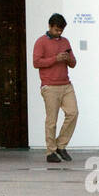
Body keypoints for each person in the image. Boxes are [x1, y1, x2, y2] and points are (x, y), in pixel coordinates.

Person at [32, 13, 78, 163]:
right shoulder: (41, 42)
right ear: (50, 26)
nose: (59, 33)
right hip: (49, 86)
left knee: (73, 113)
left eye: (61, 30)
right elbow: (36, 62)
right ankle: (50, 151)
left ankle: (61, 145)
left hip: (66, 84)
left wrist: (67, 58)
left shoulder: (65, 42)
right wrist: (55, 59)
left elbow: (73, 63)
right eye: (57, 30)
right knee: (52, 120)